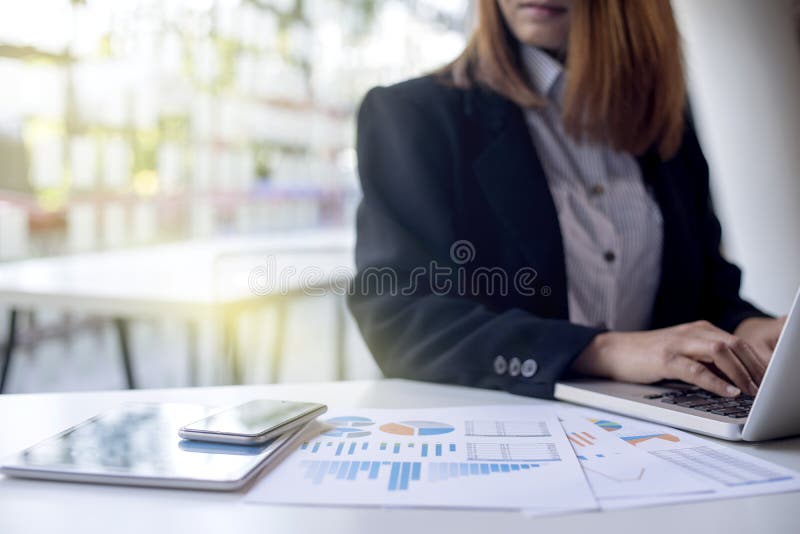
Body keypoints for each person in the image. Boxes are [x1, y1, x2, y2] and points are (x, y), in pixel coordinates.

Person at [347, 0, 786, 399]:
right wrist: (602, 350)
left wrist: (752, 330)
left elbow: (706, 295)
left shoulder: (666, 126)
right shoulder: (414, 115)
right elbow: (398, 319)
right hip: (503, 437)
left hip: (659, 436)